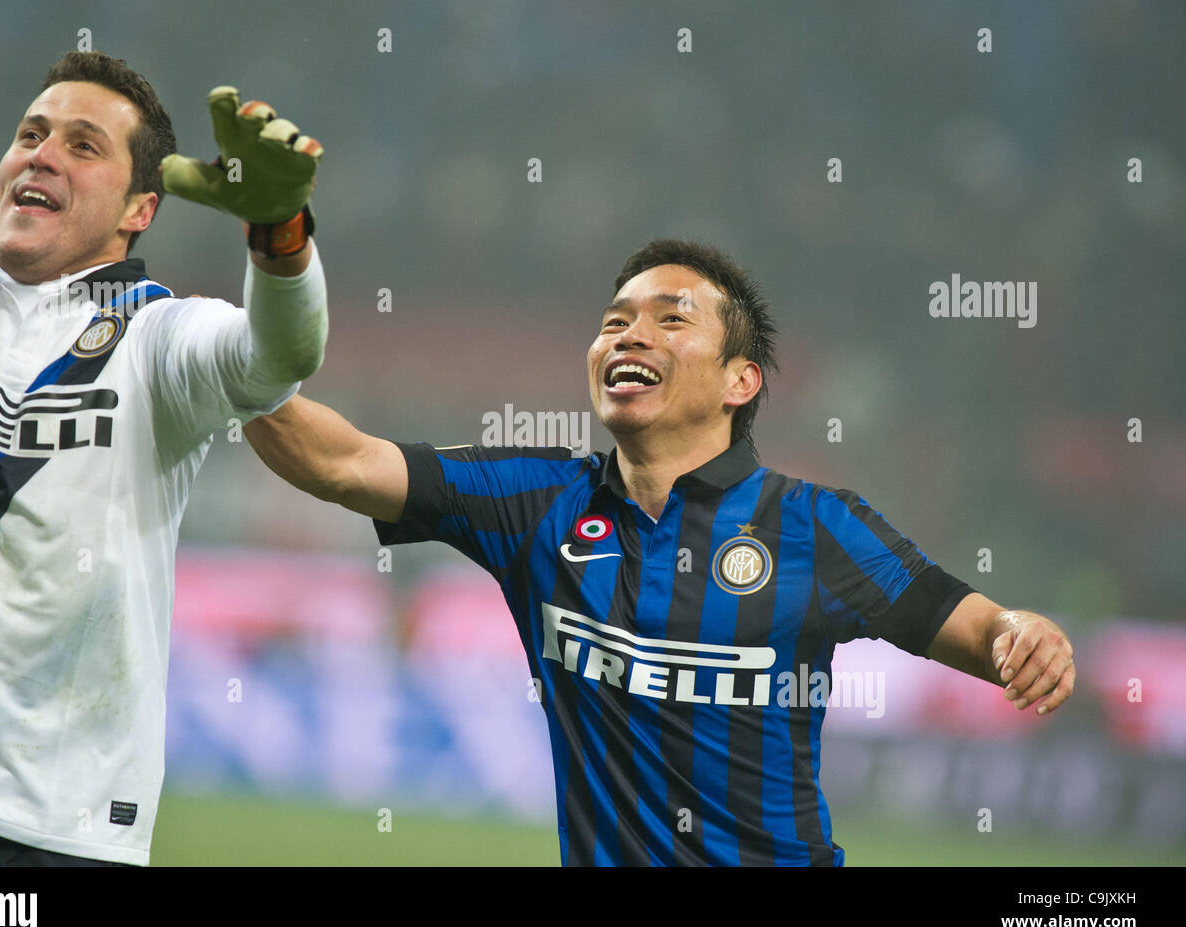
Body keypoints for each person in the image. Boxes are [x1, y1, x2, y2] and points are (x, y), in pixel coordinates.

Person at [245, 237, 1077, 866]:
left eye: (670, 319)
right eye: (615, 322)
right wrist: (232, 341)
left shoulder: (814, 527)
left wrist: (1023, 631)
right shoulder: (538, 502)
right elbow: (341, 461)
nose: (628, 335)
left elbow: (967, 622)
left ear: (738, 380)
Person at [0, 50, 328, 865]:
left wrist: (282, 239)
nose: (42, 155)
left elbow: (279, 356)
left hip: (55, 829)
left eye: (84, 146)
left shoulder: (158, 341)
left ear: (140, 208)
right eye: (31, 133)